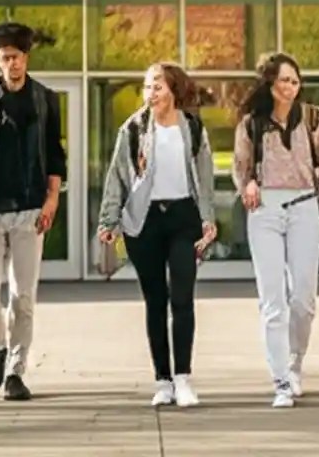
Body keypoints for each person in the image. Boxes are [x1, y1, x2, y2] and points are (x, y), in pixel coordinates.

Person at [97, 62, 218, 408]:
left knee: (182, 296)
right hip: (144, 221)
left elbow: (205, 177)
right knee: (155, 300)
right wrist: (109, 221)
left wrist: (208, 218)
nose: (151, 94)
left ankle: (183, 378)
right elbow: (117, 176)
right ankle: (162, 380)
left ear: (174, 90)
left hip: (184, 218)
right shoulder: (133, 128)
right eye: (147, 87)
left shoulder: (192, 127)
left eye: (158, 87)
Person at [0, 23, 66, 402]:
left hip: (29, 208)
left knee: (23, 296)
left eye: (17, 57)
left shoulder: (45, 99)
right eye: (5, 58)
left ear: (27, 58)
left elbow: (56, 155)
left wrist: (52, 200)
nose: (12, 64)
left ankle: (16, 373)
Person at [233, 52, 319, 408]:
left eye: (295, 81)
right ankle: (280, 381)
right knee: (273, 301)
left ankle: (295, 362)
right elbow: (241, 168)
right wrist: (246, 185)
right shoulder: (251, 123)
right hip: (265, 210)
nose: (290, 86)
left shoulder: (313, 117)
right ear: (270, 84)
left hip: (305, 205)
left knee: (304, 300)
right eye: (284, 80)